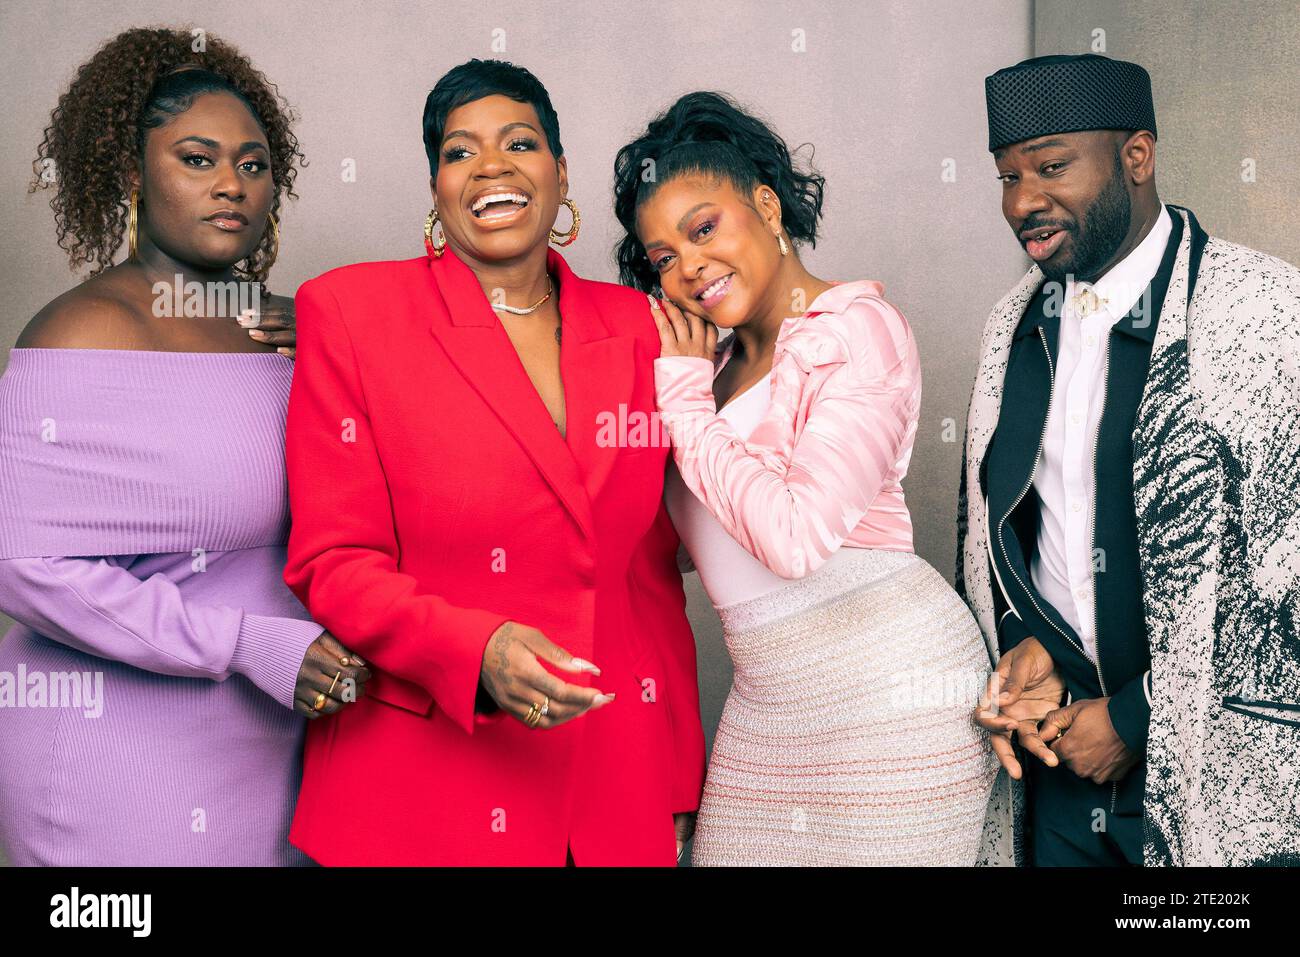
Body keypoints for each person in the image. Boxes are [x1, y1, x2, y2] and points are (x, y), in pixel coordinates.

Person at [282, 59, 705, 866]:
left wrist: (674, 774)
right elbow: (334, 561)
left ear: (559, 172)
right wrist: (476, 652)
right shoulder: (350, 313)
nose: (492, 168)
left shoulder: (644, 327)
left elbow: (649, 581)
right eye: (459, 151)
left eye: (520, 142)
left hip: (607, 779)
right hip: (419, 784)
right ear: (437, 189)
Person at [0, 28, 368, 866]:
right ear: (133, 174)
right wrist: (246, 643)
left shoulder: (287, 333)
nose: (230, 186)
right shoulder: (83, 330)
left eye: (252, 163)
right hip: (120, 757)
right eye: (197, 160)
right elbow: (22, 565)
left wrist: (329, 350)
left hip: (276, 746)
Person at [613, 91, 999, 865]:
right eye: (663, 258)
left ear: (765, 202)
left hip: (893, 692)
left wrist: (683, 401)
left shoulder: (857, 332)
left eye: (703, 228)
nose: (689, 266)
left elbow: (794, 536)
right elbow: (678, 546)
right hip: (771, 702)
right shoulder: (708, 368)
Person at [959, 53, 1300, 866]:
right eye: (1007, 175)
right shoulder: (1014, 324)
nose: (1022, 201)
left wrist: (1139, 716)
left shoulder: (1266, 314)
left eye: (1050, 168)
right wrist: (1027, 641)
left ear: (1136, 157)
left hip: (1222, 779)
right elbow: (1001, 532)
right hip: (1059, 771)